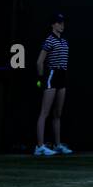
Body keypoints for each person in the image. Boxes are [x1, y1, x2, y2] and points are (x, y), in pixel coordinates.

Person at [34, 13, 72, 157]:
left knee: (58, 114)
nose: (62, 25)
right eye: (59, 23)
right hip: (51, 76)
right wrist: (40, 79)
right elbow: (39, 62)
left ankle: (57, 145)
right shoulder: (49, 40)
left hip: (62, 76)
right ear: (53, 25)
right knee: (44, 113)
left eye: (62, 23)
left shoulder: (65, 42)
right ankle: (39, 146)